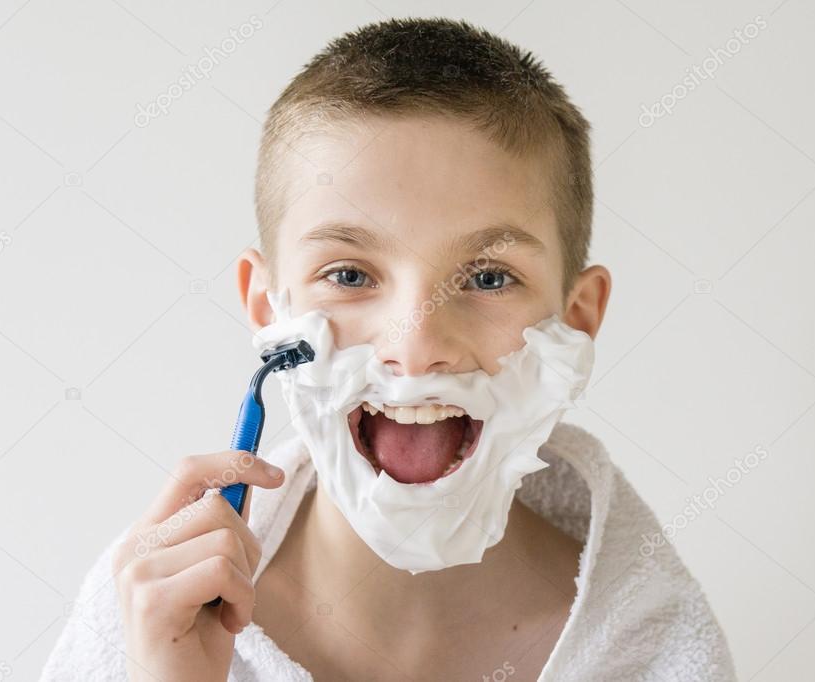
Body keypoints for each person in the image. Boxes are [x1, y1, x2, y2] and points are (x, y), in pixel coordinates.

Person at [42, 17, 736, 681]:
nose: (416, 348)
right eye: (348, 276)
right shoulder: (146, 620)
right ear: (268, 309)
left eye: (488, 277)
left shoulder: (652, 648)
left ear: (576, 320)